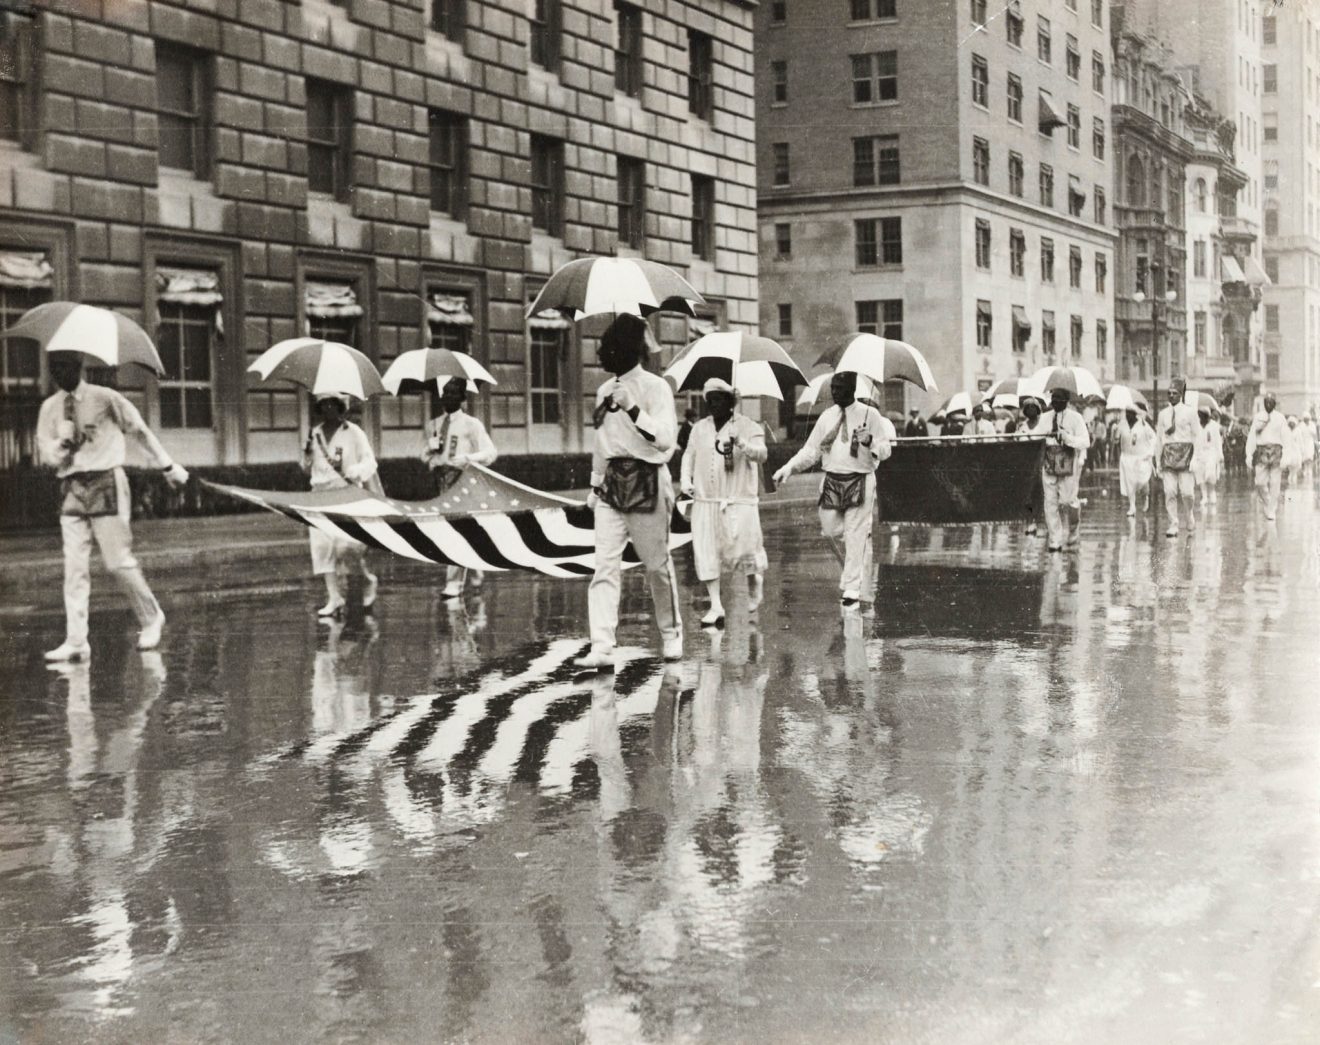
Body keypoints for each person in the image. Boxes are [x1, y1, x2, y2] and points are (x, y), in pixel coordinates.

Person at [35, 353, 190, 661]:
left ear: (78, 366)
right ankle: (77, 640)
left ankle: (151, 617)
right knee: (74, 568)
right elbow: (46, 455)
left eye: (65, 365)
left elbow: (139, 430)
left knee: (117, 561)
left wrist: (168, 466)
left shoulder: (105, 398)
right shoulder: (50, 408)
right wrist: (61, 445)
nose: (59, 373)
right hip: (72, 487)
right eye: (54, 367)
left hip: (106, 481)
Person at [577, 313, 682, 671]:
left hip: (647, 480)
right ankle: (602, 644)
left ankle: (671, 633)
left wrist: (633, 408)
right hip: (611, 486)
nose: (603, 355)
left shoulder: (656, 387)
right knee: (604, 567)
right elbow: (602, 443)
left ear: (630, 351)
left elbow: (665, 440)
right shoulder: (604, 390)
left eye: (610, 348)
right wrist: (595, 486)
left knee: (656, 565)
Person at [772, 371, 894, 608]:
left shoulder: (870, 415)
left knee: (855, 533)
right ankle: (854, 557)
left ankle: (851, 587)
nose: (835, 392)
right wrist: (788, 468)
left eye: (840, 388)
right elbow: (811, 451)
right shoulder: (827, 417)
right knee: (829, 529)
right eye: (833, 388)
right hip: (833, 480)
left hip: (860, 478)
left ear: (852, 389)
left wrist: (870, 441)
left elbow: (886, 449)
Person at [679, 378, 768, 626]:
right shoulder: (699, 428)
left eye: (718, 399)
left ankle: (754, 581)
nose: (713, 405)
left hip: (739, 500)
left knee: (744, 549)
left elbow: (762, 454)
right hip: (706, 501)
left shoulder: (748, 425)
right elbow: (688, 455)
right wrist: (685, 480)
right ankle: (716, 606)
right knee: (706, 552)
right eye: (709, 400)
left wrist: (741, 442)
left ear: (730, 402)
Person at [303, 394, 379, 618]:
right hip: (319, 496)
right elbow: (306, 469)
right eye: (324, 404)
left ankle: (367, 580)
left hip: (345, 494)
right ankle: (334, 597)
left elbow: (370, 462)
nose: (328, 408)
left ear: (340, 407)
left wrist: (357, 470)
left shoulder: (353, 432)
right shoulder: (314, 433)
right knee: (322, 548)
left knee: (346, 547)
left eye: (332, 404)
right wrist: (306, 454)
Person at [422, 376, 498, 598]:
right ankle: (475, 568)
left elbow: (490, 452)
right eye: (445, 393)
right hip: (442, 481)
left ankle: (454, 583)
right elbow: (424, 456)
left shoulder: (471, 425)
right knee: (454, 528)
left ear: (462, 397)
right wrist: (430, 453)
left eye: (453, 393)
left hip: (462, 481)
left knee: (456, 529)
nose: (448, 397)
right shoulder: (433, 425)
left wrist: (468, 458)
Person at [1037, 387, 1091, 553]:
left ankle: (1074, 528)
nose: (1055, 402)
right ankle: (1055, 539)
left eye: (1059, 399)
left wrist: (1067, 438)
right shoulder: (1045, 417)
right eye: (1053, 399)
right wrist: (1045, 435)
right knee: (1050, 502)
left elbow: (1085, 441)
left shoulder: (1076, 418)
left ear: (1066, 401)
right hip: (1049, 462)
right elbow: (1036, 437)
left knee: (1068, 500)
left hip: (1068, 462)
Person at [1153, 381, 1198, 538]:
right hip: (1168, 455)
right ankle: (1173, 523)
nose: (1171, 396)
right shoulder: (1163, 414)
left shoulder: (1190, 412)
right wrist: (1157, 460)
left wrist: (1195, 458)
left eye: (1175, 393)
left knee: (1187, 493)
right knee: (1170, 491)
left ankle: (1189, 514)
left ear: (1181, 395)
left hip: (1186, 454)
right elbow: (1159, 439)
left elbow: (1197, 436)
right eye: (1169, 393)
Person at [1246, 392, 1288, 521]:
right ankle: (1267, 501)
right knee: (1259, 482)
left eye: (1271, 402)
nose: (1268, 404)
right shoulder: (1258, 417)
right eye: (1266, 402)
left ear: (1274, 404)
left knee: (1275, 482)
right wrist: (1249, 454)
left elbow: (1286, 438)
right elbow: (1252, 436)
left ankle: (1271, 509)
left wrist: (1286, 456)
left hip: (1276, 451)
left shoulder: (1280, 418)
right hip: (1261, 451)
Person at [1017, 396, 1048, 536]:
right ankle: (1031, 521)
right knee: (1028, 494)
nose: (1030, 410)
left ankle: (1042, 521)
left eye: (1033, 407)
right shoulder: (1022, 426)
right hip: (1027, 465)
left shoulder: (1043, 425)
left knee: (1041, 493)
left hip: (1042, 463)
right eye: (1027, 407)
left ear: (1037, 409)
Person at [1118, 407, 1155, 517]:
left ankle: (1145, 496)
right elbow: (1116, 440)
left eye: (1130, 414)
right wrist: (1115, 432)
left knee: (1142, 480)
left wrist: (1149, 453)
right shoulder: (1122, 424)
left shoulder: (1143, 424)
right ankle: (1132, 506)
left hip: (1141, 457)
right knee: (1130, 483)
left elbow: (1153, 438)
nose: (1127, 416)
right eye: (1126, 413)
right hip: (1127, 457)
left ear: (1135, 414)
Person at [1191, 405, 1224, 509]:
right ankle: (1204, 496)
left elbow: (1218, 441)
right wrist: (1194, 455)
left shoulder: (1214, 426)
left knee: (1210, 474)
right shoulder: (1196, 426)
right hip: (1199, 453)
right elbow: (1194, 441)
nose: (1200, 418)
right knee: (1200, 475)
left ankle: (1212, 493)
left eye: (1201, 415)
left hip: (1211, 452)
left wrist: (1220, 454)